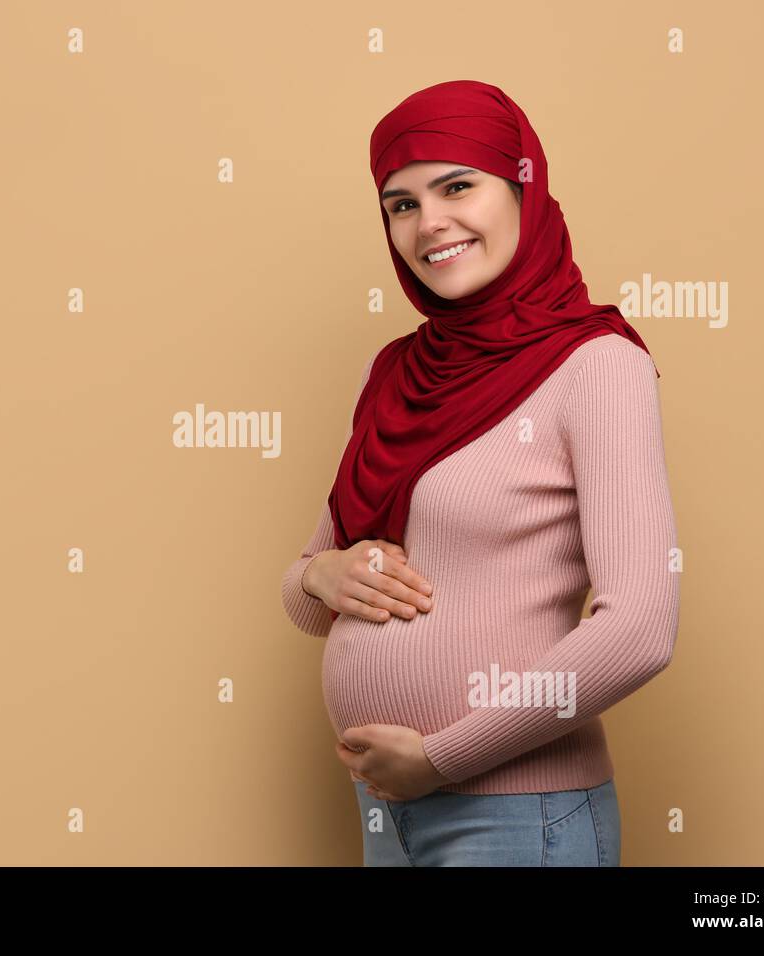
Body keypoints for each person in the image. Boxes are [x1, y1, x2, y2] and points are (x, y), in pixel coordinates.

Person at [279, 80, 680, 867]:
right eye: (400, 203)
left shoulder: (597, 365)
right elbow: (306, 598)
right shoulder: (394, 371)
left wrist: (439, 762)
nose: (430, 223)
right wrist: (321, 575)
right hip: (382, 812)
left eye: (457, 185)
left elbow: (640, 630)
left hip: (518, 819)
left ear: (524, 188)